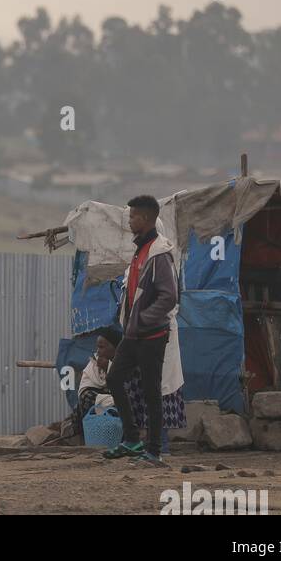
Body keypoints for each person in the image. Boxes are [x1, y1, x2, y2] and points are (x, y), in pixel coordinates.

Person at [103, 195, 179, 466]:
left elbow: (169, 296)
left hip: (151, 335)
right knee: (114, 379)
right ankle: (132, 439)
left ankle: (154, 450)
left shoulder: (159, 252)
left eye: (133, 216)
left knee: (151, 391)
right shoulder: (140, 249)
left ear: (146, 219)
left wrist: (144, 320)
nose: (129, 220)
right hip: (133, 334)